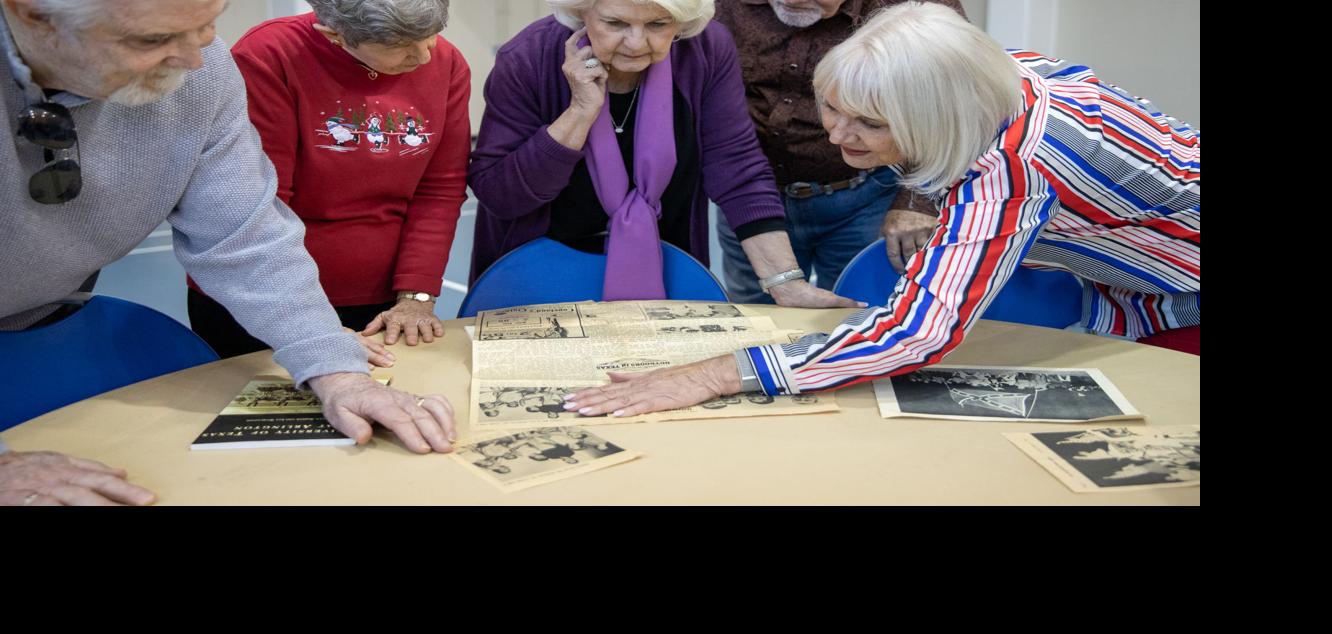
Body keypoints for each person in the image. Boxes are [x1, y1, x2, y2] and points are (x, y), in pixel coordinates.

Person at [562, 2, 1200, 418]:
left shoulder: (1012, 167)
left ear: (935, 120)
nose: (837, 136)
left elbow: (916, 334)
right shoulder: (997, 77)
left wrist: (710, 376)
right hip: (1133, 285)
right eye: (833, 107)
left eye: (870, 123)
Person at [2, 0, 455, 506]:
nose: (195, 59)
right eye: (151, 40)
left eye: (206, 24)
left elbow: (244, 234)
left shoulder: (202, 70)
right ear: (28, 14)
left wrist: (337, 369)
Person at [468, 0, 855, 309]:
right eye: (616, 23)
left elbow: (737, 168)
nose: (637, 43)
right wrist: (579, 114)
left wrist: (786, 282)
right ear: (581, 12)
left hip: (663, 263)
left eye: (658, 24)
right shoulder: (527, 58)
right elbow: (501, 194)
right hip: (537, 267)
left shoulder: (706, 50)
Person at [186, 0, 469, 354]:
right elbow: (263, 206)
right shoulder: (269, 55)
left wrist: (417, 295)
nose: (424, 56)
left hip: (384, 300)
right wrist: (310, 324)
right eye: (399, 46)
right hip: (266, 294)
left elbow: (439, 189)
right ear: (334, 35)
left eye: (431, 36)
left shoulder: (446, 61)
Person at [711, 0, 965, 300]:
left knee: (862, 308)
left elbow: (951, 109)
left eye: (869, 122)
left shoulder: (919, 8)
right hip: (750, 197)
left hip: (865, 200)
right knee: (758, 316)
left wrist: (917, 201)